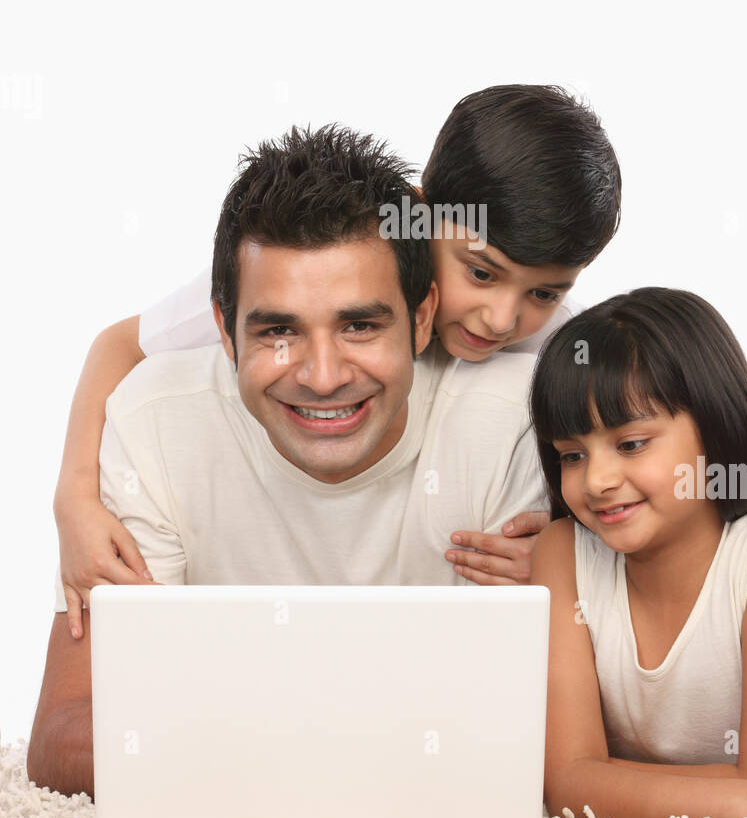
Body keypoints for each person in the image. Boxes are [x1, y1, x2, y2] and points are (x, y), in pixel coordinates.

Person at [27, 124, 566, 797]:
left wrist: (575, 569)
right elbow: (62, 737)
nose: (321, 375)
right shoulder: (152, 419)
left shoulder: (521, 412)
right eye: (278, 331)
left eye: (360, 325)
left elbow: (554, 736)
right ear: (222, 328)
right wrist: (71, 493)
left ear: (423, 318)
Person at [53, 85, 622, 632]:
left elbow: (621, 467)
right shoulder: (309, 268)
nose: (501, 319)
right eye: (480, 272)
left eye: (543, 293)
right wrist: (74, 495)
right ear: (420, 214)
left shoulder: (560, 346)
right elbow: (121, 345)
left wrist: (559, 563)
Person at [529, 287, 747, 818]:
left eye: (632, 444)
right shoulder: (560, 554)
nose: (597, 481)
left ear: (715, 425)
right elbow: (566, 783)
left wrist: (606, 781)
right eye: (572, 454)